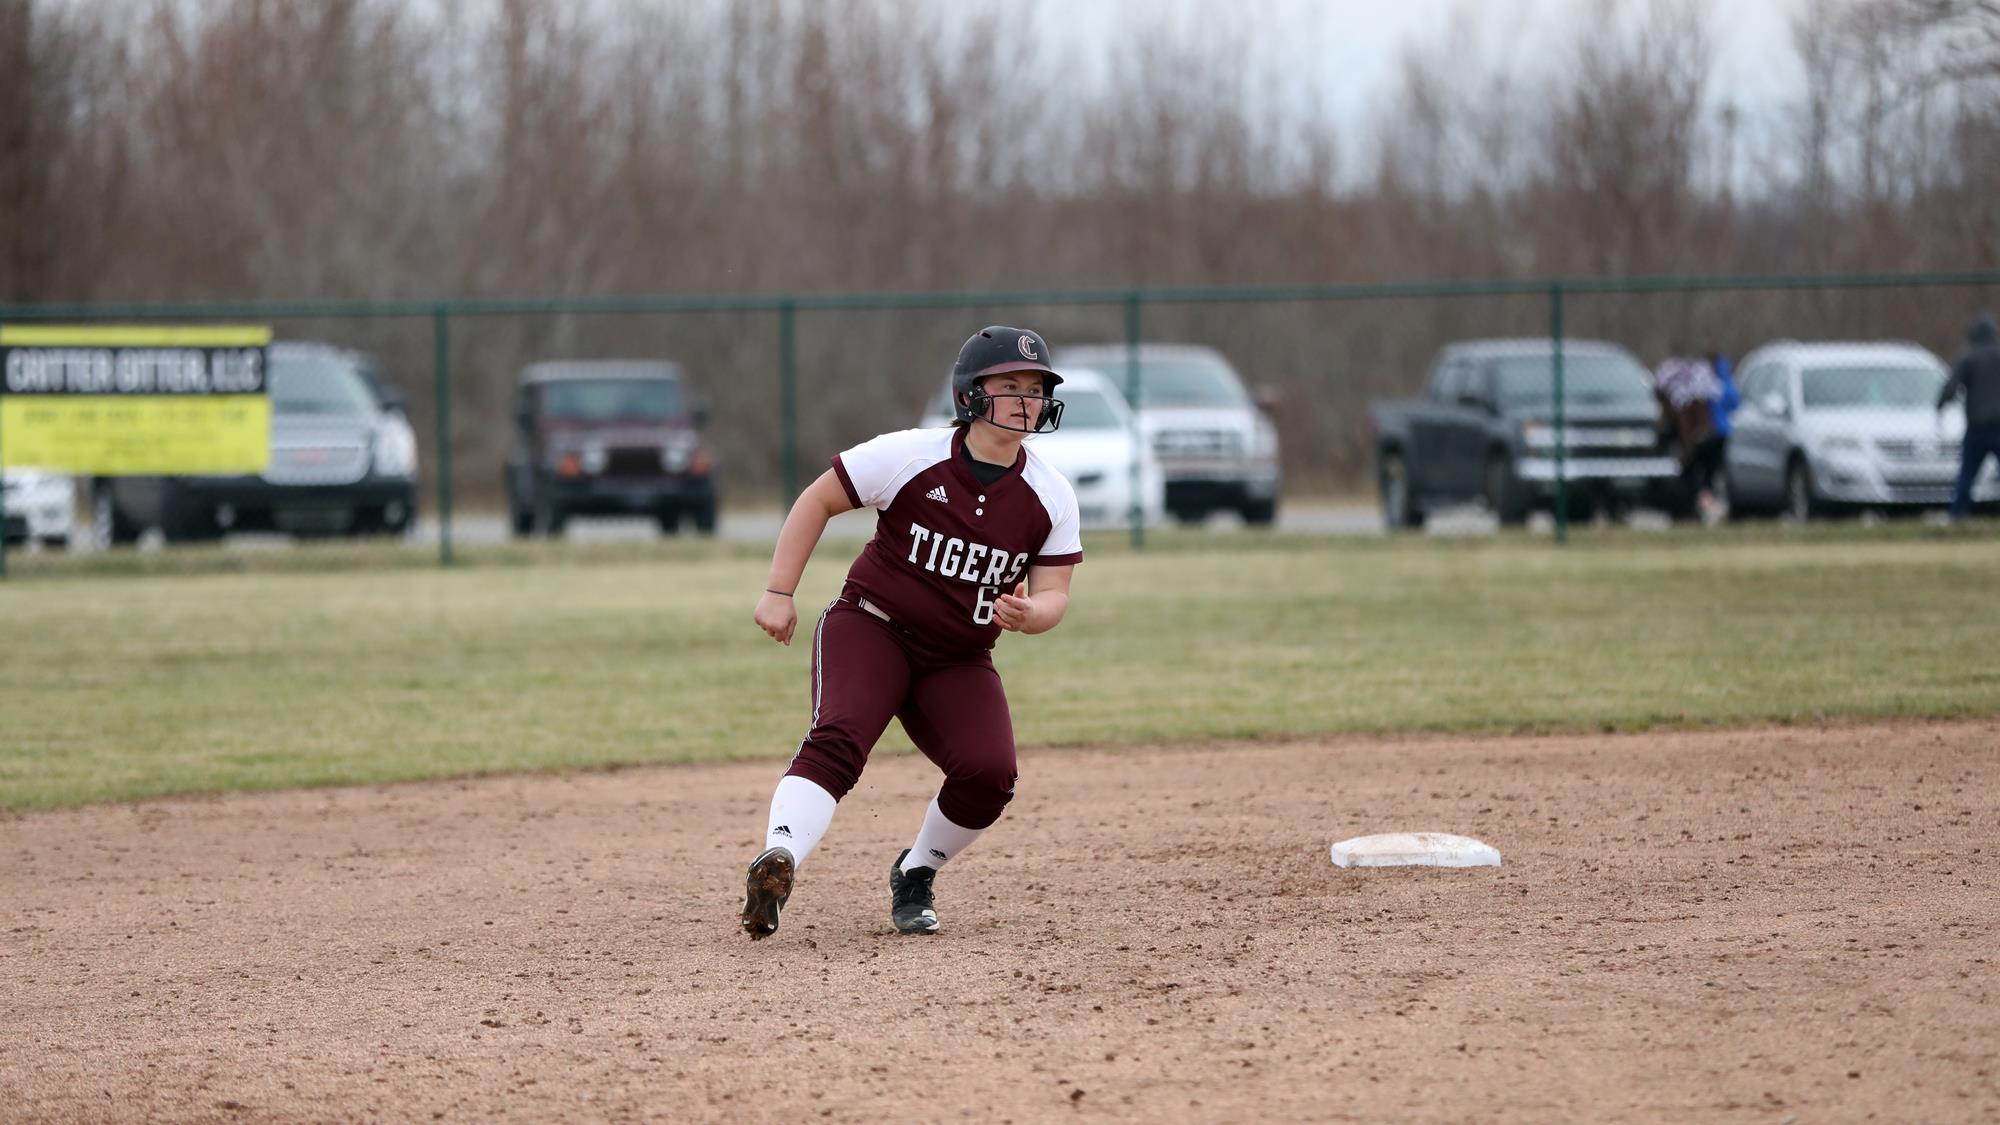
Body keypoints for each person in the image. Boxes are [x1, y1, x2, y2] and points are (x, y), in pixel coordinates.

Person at [740, 326, 1083, 940]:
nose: (1026, 400)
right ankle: (780, 859)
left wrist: (1035, 615)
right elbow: (817, 500)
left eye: (1036, 388)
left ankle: (916, 873)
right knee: (840, 736)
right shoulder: (911, 455)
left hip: (959, 656)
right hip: (872, 627)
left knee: (990, 772)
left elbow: (1054, 592)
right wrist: (779, 591)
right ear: (970, 395)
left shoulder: (1049, 494)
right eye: (1010, 386)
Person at [1939, 314, 2000, 522]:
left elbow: (1951, 387)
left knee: (1967, 475)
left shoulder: (1968, 357)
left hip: (1977, 427)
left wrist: (1940, 406)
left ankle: (1958, 516)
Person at [1653, 351, 1724, 521]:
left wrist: (1687, 446)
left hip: (1699, 440)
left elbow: (1686, 422)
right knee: (1701, 477)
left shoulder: (1682, 392)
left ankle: (1693, 510)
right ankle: (1697, 509)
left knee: (1694, 477)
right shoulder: (1703, 382)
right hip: (1708, 437)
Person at [1704, 348, 1741, 517]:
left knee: (1711, 470)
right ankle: (1719, 503)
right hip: (1726, 431)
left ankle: (1713, 504)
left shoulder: (1705, 382)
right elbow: (1735, 403)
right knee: (1721, 469)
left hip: (1712, 433)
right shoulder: (1726, 382)